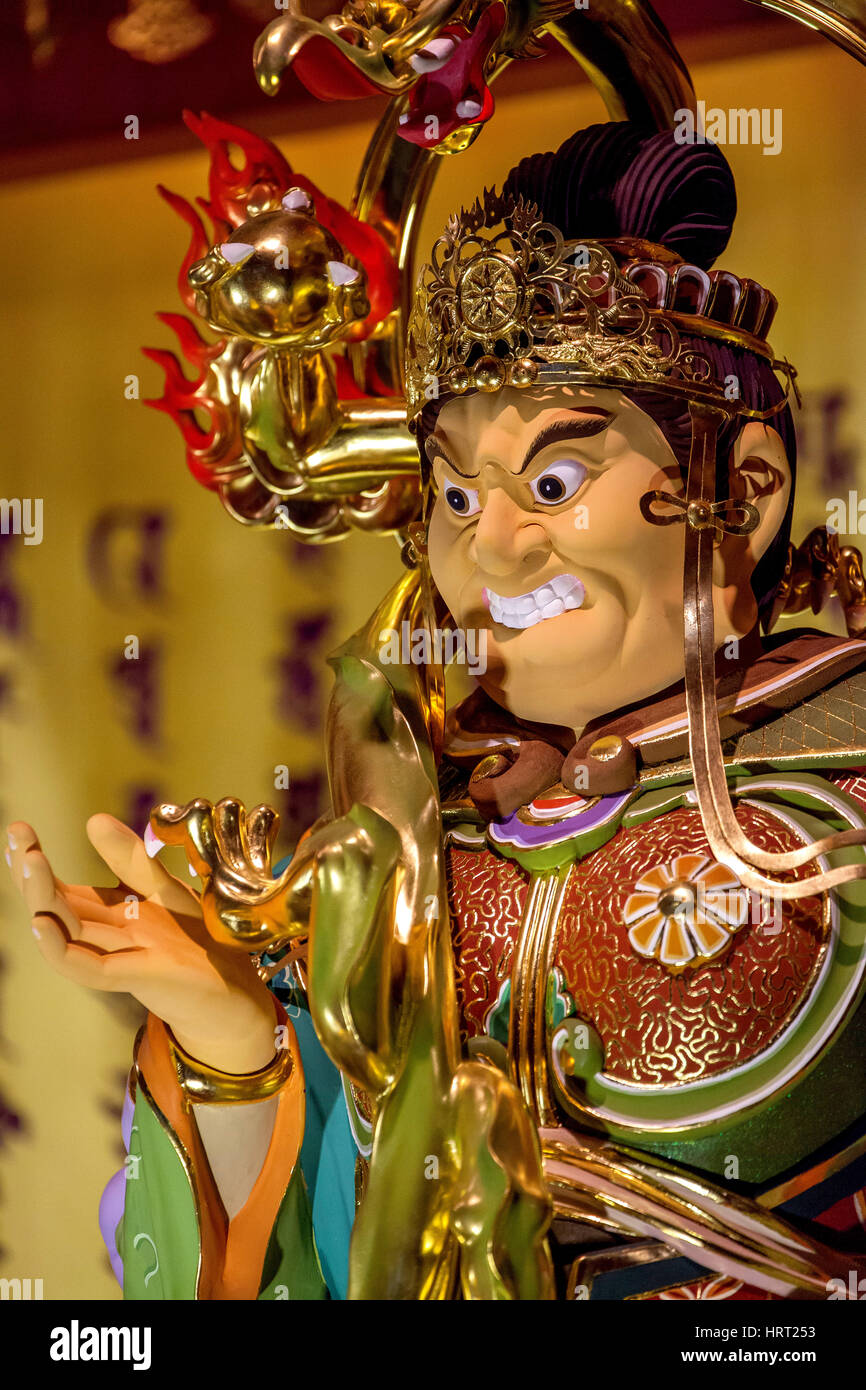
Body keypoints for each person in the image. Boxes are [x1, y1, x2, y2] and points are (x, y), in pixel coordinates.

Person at [8, 116, 866, 1301]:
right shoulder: (406, 837)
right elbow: (319, 1255)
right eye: (456, 492)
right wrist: (227, 1032)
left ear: (748, 490)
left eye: (553, 482)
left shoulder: (847, 767)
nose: (493, 546)